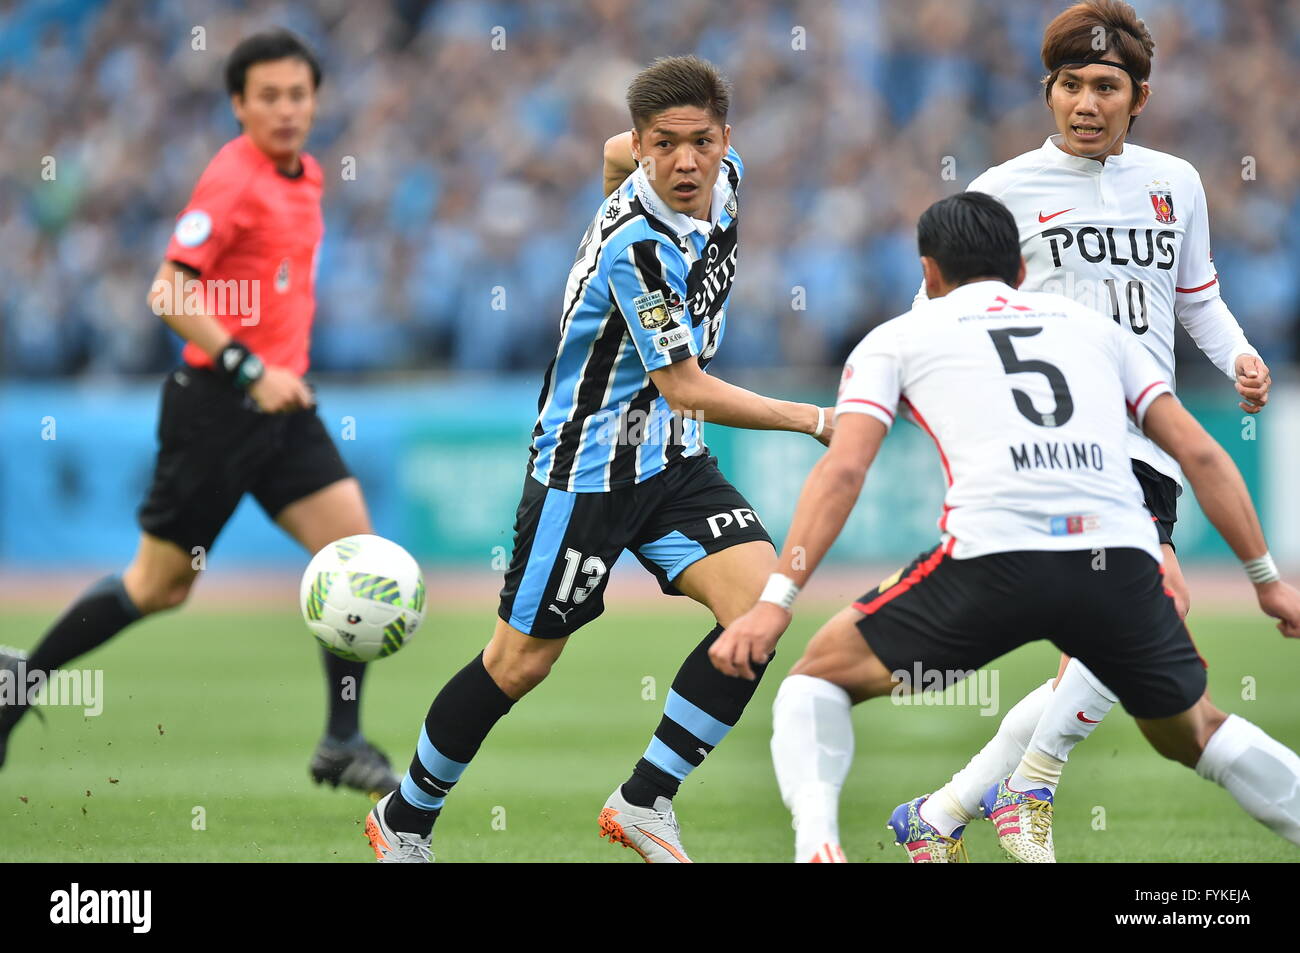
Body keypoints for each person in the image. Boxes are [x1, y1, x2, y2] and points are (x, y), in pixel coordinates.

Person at [712, 191, 1300, 864]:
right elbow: (1199, 453)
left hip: (992, 562)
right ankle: (1006, 790)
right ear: (1021, 269)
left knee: (817, 678)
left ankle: (819, 846)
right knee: (1198, 732)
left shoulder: (896, 339)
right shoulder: (1096, 331)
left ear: (928, 274)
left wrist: (774, 602)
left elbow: (843, 471)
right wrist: (1266, 580)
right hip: (1116, 558)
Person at [363, 55, 832, 863]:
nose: (685, 163)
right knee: (519, 662)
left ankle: (646, 798)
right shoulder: (637, 248)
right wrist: (816, 417)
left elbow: (619, 155)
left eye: (701, 142)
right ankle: (404, 816)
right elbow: (686, 386)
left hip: (672, 462)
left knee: (758, 612)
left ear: (726, 139)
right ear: (647, 146)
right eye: (664, 145)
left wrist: (640, 147)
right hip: (586, 470)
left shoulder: (722, 174)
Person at [892, 0, 1273, 861]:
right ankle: (1030, 785)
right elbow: (933, 309)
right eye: (1070, 85)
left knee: (1102, 645)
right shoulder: (1000, 190)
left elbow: (1196, 298)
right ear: (1048, 91)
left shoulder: (1175, 183)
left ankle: (941, 813)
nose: (1087, 102)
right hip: (1056, 441)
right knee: (1151, 608)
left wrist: (1240, 356)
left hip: (1150, 441)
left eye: (1107, 86)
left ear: (1140, 96)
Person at [0, 30, 399, 796]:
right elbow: (169, 291)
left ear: (315, 100)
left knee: (355, 558)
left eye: (297, 94)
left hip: (283, 406)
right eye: (268, 96)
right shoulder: (233, 178)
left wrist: (271, 375)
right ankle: (20, 681)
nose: (285, 109)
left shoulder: (307, 174)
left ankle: (340, 741)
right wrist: (249, 366)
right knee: (160, 585)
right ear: (238, 104)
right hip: (217, 407)